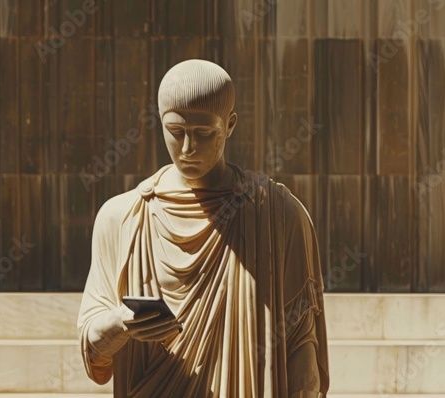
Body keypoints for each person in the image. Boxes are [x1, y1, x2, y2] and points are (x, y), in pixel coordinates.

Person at [77, 59, 329, 397]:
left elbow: (301, 344)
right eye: (175, 132)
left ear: (230, 125)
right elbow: (94, 352)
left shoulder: (277, 214)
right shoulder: (121, 218)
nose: (187, 149)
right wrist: (122, 323)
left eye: (203, 133)